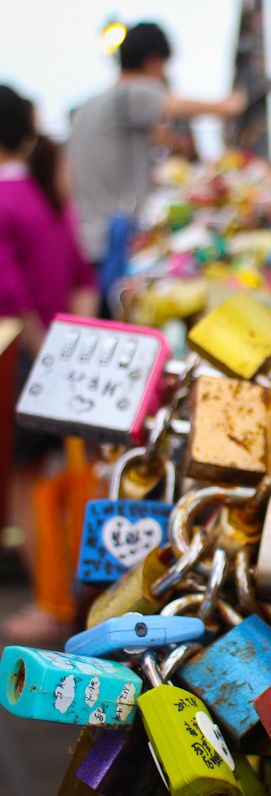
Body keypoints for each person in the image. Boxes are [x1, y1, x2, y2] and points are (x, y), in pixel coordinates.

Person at [0, 84, 98, 644]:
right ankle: (74, 597)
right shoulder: (45, 193)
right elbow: (81, 274)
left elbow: (9, 291)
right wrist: (72, 343)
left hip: (29, 360)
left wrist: (44, 351)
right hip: (70, 356)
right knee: (69, 478)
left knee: (28, 487)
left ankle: (51, 603)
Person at [69, 22, 247, 268]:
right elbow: (179, 106)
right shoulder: (132, 92)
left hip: (86, 235)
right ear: (154, 62)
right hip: (114, 240)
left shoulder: (90, 106)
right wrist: (230, 105)